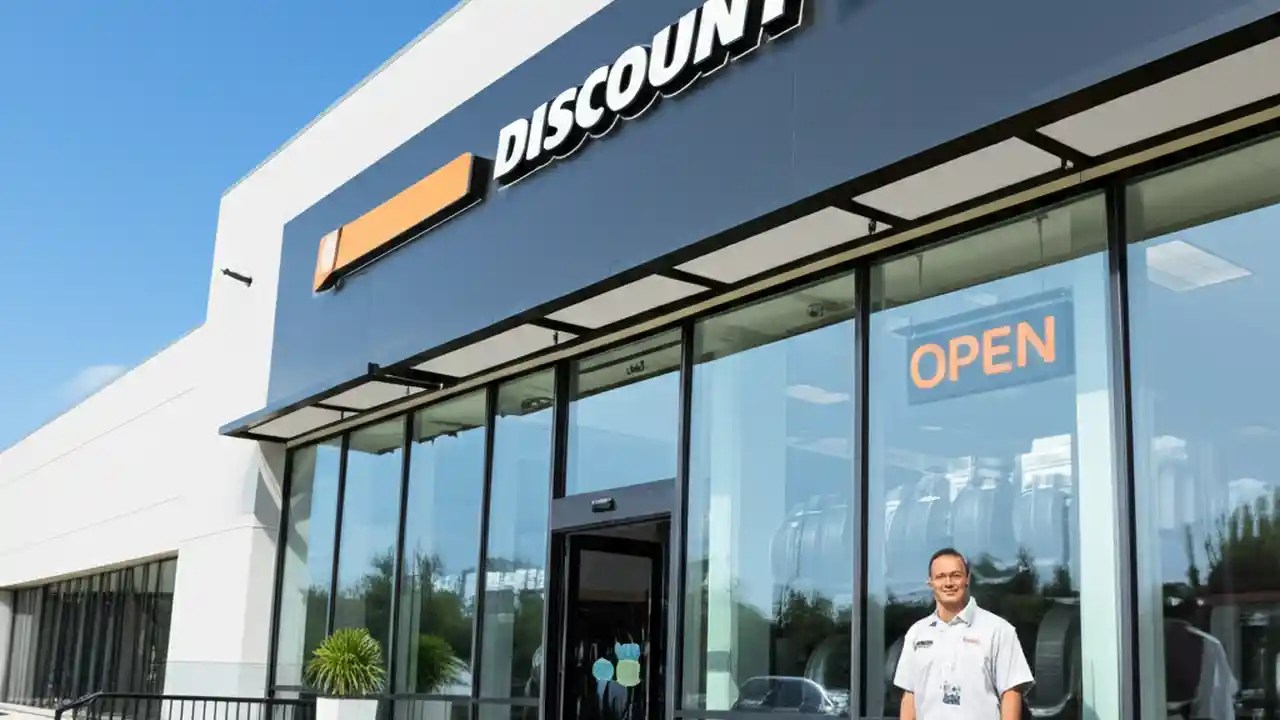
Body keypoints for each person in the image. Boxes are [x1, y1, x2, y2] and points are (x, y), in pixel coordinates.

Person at [893, 548, 1033, 719]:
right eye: (940, 577)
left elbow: (1011, 694)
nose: (948, 582)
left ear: (967, 579)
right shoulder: (917, 633)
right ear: (930, 583)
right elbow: (910, 696)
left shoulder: (999, 630)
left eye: (955, 575)